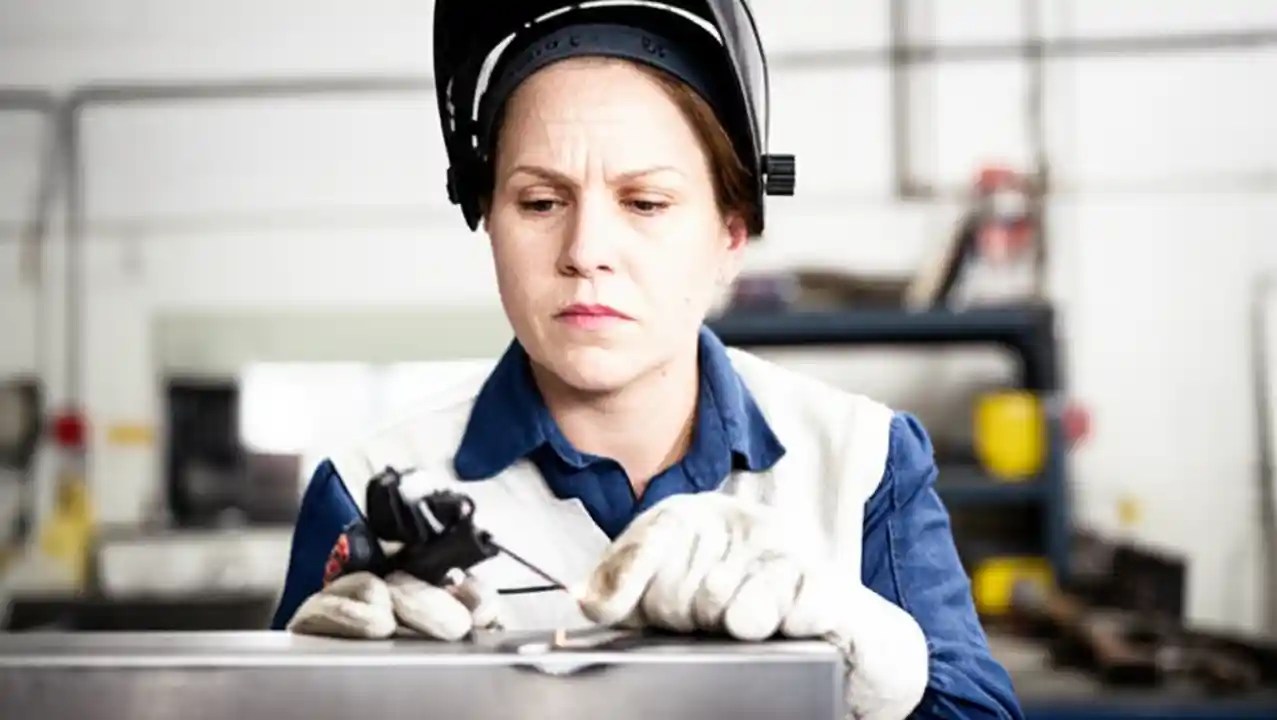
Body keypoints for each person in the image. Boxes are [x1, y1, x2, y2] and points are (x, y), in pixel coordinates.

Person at [271, 2, 1023, 718]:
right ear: (488, 221)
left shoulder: (859, 461)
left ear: (732, 233)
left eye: (646, 203)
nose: (586, 252)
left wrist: (889, 680)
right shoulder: (370, 486)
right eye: (540, 203)